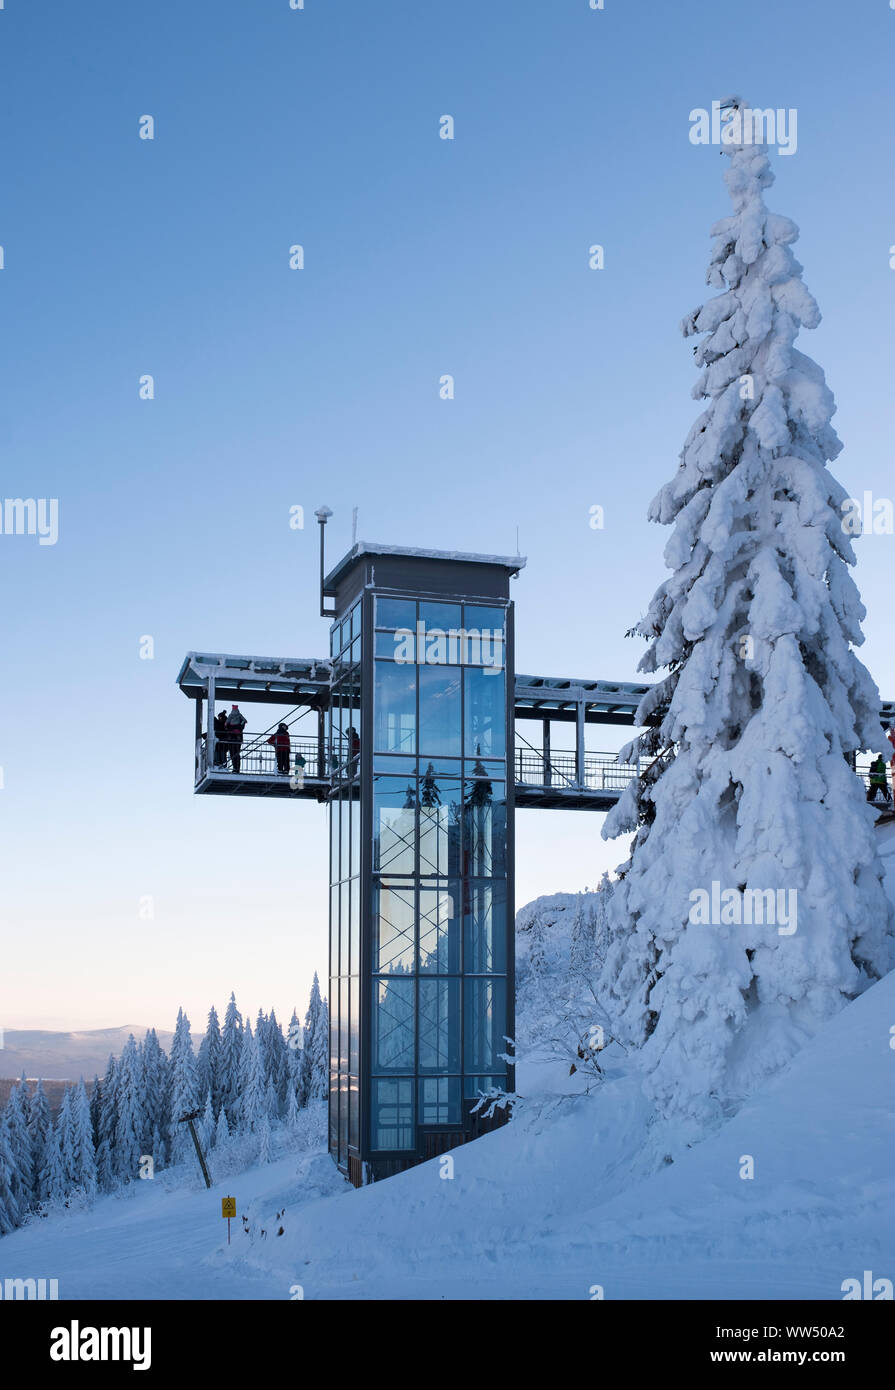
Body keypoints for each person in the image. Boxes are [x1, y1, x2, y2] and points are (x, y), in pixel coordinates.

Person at [226, 704, 247, 773]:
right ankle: (237, 768)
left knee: (232, 753)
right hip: (238, 737)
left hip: (231, 737)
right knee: (236, 753)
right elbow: (245, 721)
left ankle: (235, 768)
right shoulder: (239, 715)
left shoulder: (230, 715)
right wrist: (240, 725)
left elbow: (226, 724)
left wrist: (228, 726)